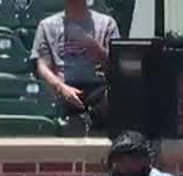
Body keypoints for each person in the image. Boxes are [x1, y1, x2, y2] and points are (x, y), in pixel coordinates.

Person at [31, 0, 118, 131]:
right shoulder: (47, 25)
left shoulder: (107, 24)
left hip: (98, 88)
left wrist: (93, 46)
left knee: (118, 94)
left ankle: (89, 119)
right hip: (62, 87)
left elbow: (115, 66)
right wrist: (61, 88)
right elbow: (42, 65)